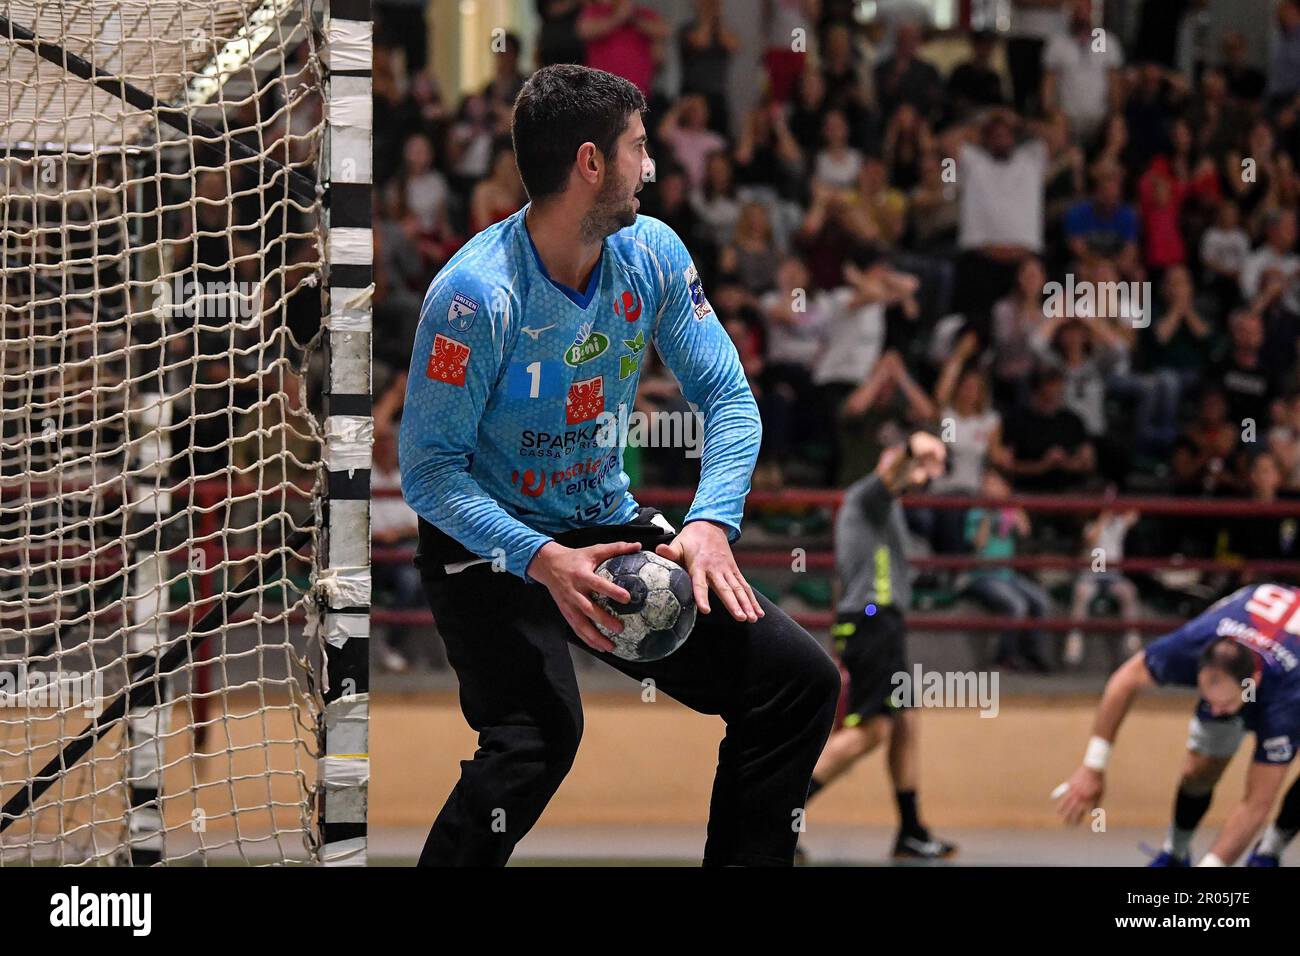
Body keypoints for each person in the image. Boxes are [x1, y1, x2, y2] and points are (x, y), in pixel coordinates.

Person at [399, 64, 840, 867]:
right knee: (537, 737)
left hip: (600, 519)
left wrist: (710, 523)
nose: (653, 166)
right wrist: (540, 559)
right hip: (487, 544)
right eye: (641, 147)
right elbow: (428, 474)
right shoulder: (475, 297)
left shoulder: (654, 255)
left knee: (796, 682)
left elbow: (731, 401)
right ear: (591, 164)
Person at [1056, 583, 1300, 866]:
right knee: (1199, 769)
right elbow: (1124, 681)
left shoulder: (1288, 697)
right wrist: (1092, 767)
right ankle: (1175, 853)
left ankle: (1270, 850)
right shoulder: (1193, 643)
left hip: (1288, 675)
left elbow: (1257, 803)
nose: (1217, 709)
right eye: (1211, 700)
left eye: (1226, 704)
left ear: (1252, 683)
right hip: (1261, 632)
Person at [802, 431, 959, 861]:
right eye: (904, 464)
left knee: (905, 721)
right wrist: (913, 450)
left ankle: (910, 830)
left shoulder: (883, 509)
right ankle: (776, 818)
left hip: (877, 624)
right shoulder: (866, 496)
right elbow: (891, 474)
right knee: (870, 732)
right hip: (873, 623)